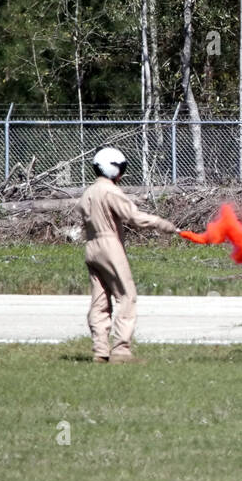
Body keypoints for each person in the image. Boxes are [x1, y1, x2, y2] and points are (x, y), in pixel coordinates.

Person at [78, 147, 178, 363]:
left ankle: (100, 350)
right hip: (109, 245)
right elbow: (132, 216)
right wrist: (161, 223)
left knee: (100, 300)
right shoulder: (110, 191)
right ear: (113, 169)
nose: (122, 174)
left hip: (91, 246)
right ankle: (121, 350)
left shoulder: (88, 192)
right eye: (121, 168)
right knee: (126, 296)